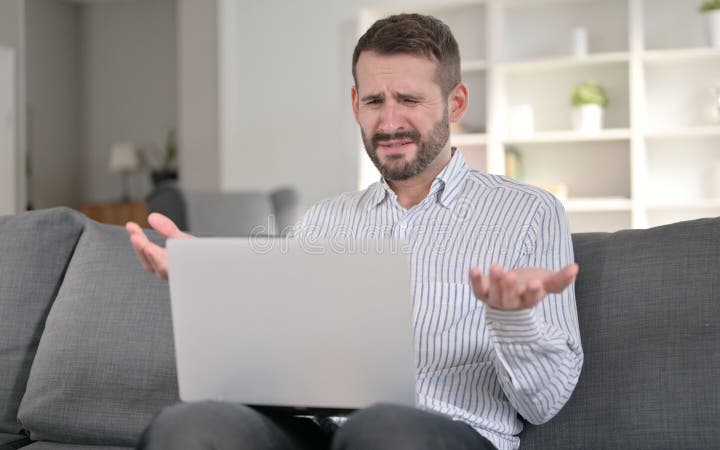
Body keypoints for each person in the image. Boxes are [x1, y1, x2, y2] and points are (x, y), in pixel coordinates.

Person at [127, 13, 583, 450]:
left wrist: (512, 319)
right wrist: (209, 283)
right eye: (374, 101)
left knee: (381, 426)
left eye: (408, 100)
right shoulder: (323, 221)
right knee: (189, 423)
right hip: (319, 432)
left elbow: (543, 404)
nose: (389, 123)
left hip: (447, 433)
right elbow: (276, 359)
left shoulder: (529, 212)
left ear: (456, 102)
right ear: (354, 104)